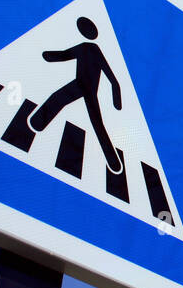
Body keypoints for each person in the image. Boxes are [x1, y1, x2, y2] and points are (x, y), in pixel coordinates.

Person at [28, 16, 124, 174]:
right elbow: (65, 55)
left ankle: (113, 161)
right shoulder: (84, 47)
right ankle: (37, 122)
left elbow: (111, 76)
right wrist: (48, 55)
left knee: (97, 123)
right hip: (78, 84)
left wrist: (117, 99)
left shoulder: (94, 50)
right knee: (57, 98)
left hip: (89, 89)